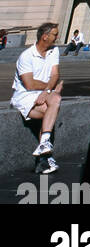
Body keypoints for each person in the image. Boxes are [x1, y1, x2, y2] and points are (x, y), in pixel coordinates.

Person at [11, 21, 63, 170]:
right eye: (55, 34)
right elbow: (29, 84)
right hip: (25, 97)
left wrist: (46, 91)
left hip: (43, 94)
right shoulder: (26, 56)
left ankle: (44, 146)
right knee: (53, 104)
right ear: (45, 36)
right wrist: (49, 89)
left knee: (54, 101)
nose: (57, 37)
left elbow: (55, 75)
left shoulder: (54, 50)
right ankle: (45, 157)